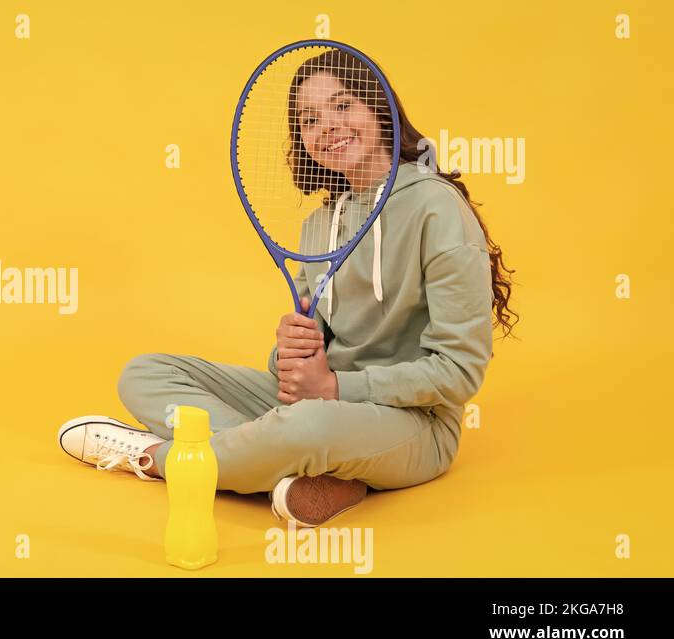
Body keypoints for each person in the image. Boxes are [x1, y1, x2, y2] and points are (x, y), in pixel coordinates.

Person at [57, 49, 517, 527]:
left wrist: (338, 386)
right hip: (318, 409)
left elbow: (460, 372)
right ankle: (300, 472)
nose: (327, 126)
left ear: (379, 110)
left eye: (342, 106)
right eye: (309, 119)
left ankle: (160, 458)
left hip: (415, 427)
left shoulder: (435, 209)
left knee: (310, 425)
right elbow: (294, 376)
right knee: (145, 373)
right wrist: (289, 354)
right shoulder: (318, 227)